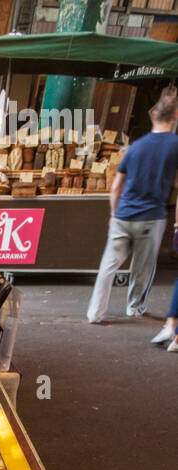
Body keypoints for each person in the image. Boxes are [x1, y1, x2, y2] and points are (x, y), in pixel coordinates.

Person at [86, 90, 178, 324]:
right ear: (175, 116)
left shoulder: (135, 147)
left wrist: (113, 213)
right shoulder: (174, 145)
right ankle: (134, 308)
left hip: (124, 213)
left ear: (153, 116)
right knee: (143, 266)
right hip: (152, 216)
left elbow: (117, 185)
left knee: (109, 265)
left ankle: (95, 313)